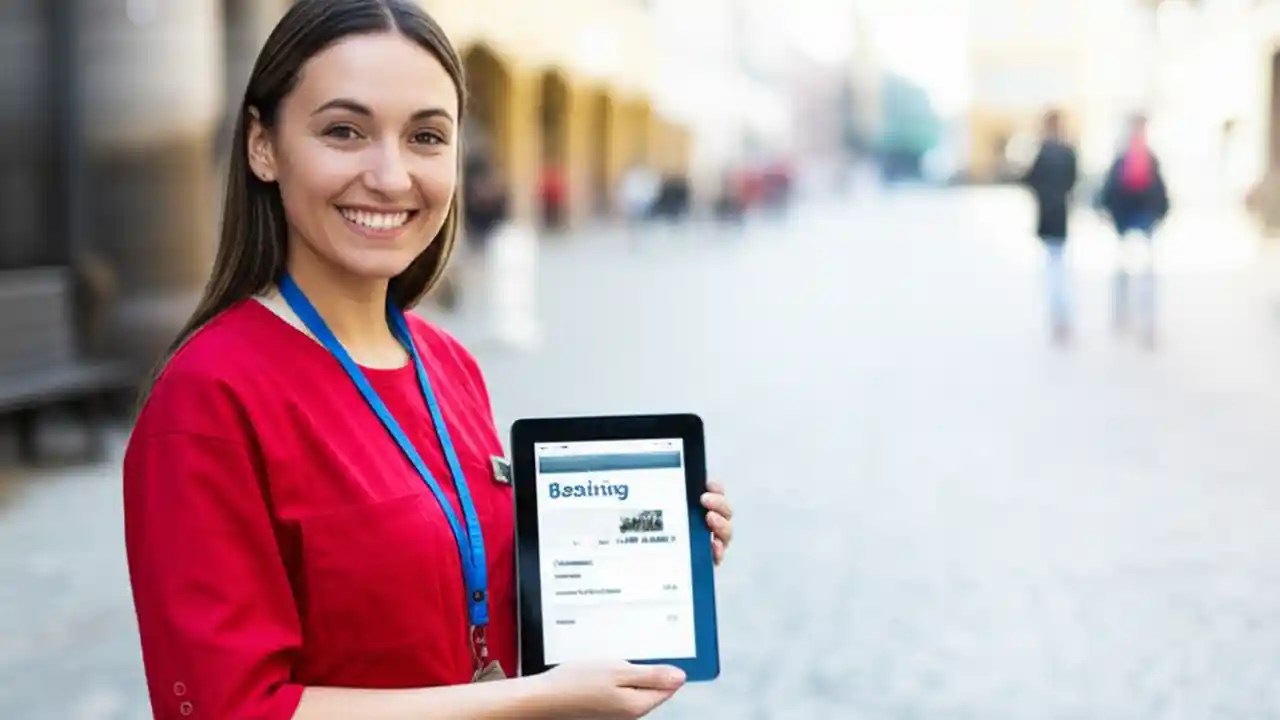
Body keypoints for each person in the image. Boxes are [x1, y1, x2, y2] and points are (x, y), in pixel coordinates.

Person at [121, 2, 735, 718]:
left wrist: (647, 555)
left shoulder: (447, 362)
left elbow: (466, 591)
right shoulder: (207, 399)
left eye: (425, 137)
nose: (390, 176)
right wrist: (529, 702)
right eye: (344, 132)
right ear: (263, 145)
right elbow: (232, 709)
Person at [1099, 114, 1170, 348]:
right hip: (1144, 220)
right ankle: (1142, 319)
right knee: (1142, 272)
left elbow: (1108, 191)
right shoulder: (1148, 157)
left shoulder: (1125, 158)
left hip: (1128, 221)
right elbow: (1161, 192)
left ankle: (1125, 315)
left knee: (1127, 270)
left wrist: (1109, 212)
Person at [1021, 110, 1078, 345]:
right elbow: (1073, 180)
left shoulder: (1043, 152)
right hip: (1062, 215)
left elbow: (1029, 179)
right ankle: (1063, 317)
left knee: (1053, 268)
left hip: (1047, 215)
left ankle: (1058, 317)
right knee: (1060, 266)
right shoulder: (1068, 151)